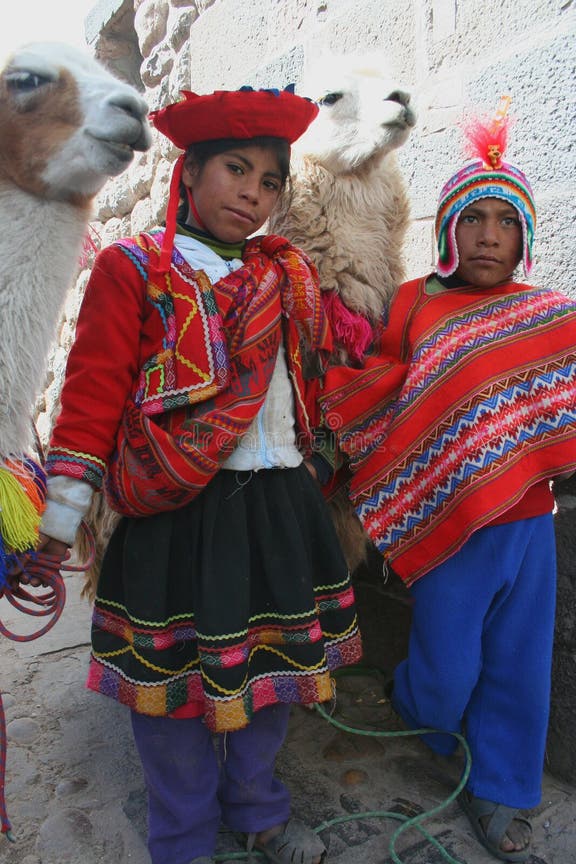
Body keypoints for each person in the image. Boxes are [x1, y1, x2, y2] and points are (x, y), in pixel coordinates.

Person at [35, 86, 363, 864]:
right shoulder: (135, 270)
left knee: (276, 669)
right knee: (172, 688)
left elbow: (313, 380)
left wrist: (318, 461)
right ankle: (181, 835)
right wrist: (59, 517)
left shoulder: (287, 275)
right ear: (190, 172)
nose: (253, 193)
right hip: (175, 510)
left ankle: (257, 806)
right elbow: (91, 396)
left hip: (279, 501)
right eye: (236, 170)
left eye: (271, 181)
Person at [319, 104, 576, 862]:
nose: (488, 234)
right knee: (446, 668)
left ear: (524, 236)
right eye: (472, 219)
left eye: (504, 220)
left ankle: (501, 788)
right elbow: (378, 385)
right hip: (444, 528)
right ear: (447, 232)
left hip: (528, 525)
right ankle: (419, 707)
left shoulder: (552, 316)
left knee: (519, 668)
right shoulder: (415, 304)